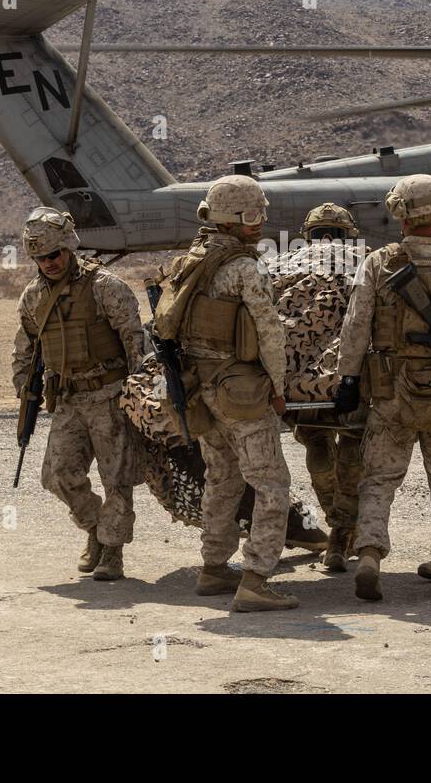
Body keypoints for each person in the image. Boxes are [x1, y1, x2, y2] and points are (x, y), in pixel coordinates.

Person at [154, 175, 298, 611]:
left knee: (222, 478)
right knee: (272, 483)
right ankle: (256, 579)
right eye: (254, 215)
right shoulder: (244, 267)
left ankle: (213, 567)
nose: (261, 223)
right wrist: (279, 385)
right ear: (234, 220)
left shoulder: (190, 262)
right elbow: (270, 332)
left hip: (201, 389)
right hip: (241, 390)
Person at [334, 174, 431, 600]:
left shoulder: (380, 263)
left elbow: (356, 326)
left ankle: (370, 555)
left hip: (390, 388)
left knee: (379, 477)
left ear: (400, 214)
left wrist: (348, 378)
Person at [11, 207, 143, 579]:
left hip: (109, 394)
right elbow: (26, 348)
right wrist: (26, 393)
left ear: (69, 248)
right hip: (67, 399)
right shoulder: (34, 297)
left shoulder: (105, 287)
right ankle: (95, 530)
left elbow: (135, 342)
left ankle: (112, 551)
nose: (48, 263)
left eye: (53, 255)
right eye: (39, 257)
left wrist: (138, 394)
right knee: (57, 475)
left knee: (116, 477)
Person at [288, 203, 367, 572]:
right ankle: (342, 534)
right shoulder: (364, 261)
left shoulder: (287, 264)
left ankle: (337, 529)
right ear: (348, 233)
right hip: (348, 378)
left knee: (318, 447)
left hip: (301, 385)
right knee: (352, 450)